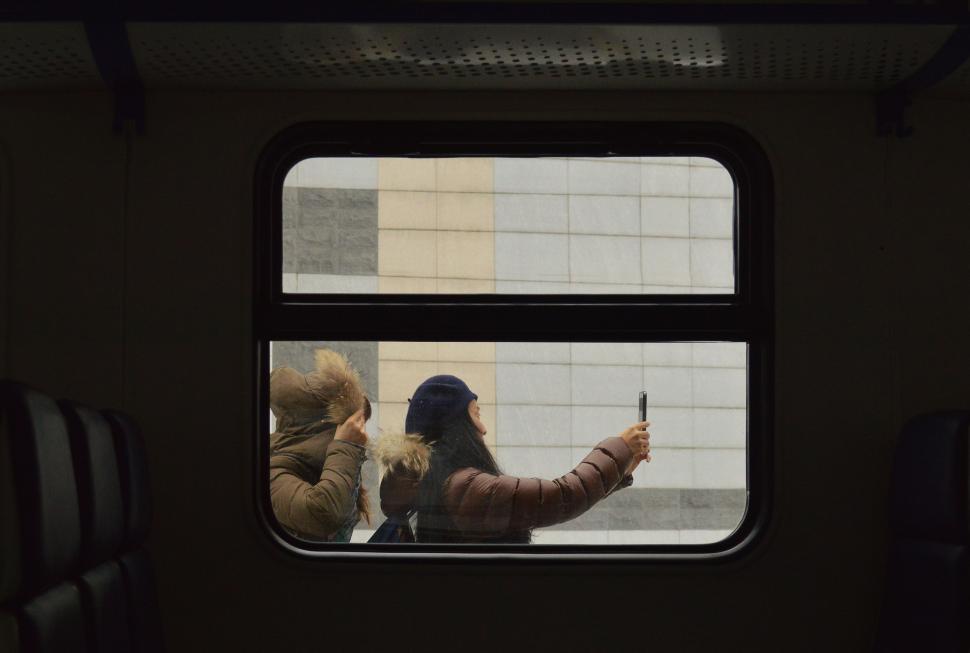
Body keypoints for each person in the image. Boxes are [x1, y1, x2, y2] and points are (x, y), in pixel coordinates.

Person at [373, 374, 650, 543]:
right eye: (476, 414)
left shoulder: (440, 485)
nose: (483, 428)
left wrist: (620, 469)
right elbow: (561, 497)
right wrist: (620, 447)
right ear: (458, 426)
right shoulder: (466, 488)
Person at [269, 349, 371, 542]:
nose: (361, 434)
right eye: (348, 426)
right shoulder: (275, 468)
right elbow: (323, 513)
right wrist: (345, 446)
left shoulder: (323, 465)